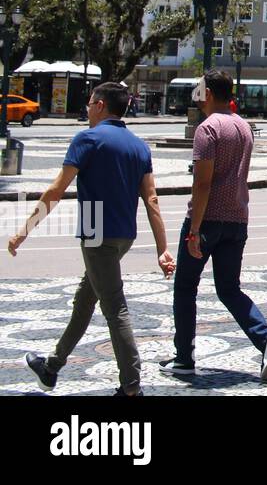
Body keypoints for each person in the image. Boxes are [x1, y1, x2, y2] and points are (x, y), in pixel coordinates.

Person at [9, 82, 174, 396]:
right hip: (124, 233)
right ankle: (51, 367)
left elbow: (56, 190)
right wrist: (162, 249)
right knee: (85, 301)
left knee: (116, 309)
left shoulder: (88, 139)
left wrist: (23, 231)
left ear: (100, 104)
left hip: (97, 230)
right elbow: (151, 199)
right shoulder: (139, 146)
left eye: (88, 103)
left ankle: (131, 388)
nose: (86, 109)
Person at [164, 71, 267, 381]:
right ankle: (265, 337)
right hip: (238, 217)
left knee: (185, 288)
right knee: (230, 289)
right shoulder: (243, 127)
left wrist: (194, 228)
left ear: (206, 93)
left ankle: (183, 357)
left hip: (208, 220)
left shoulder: (207, 129)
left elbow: (202, 183)